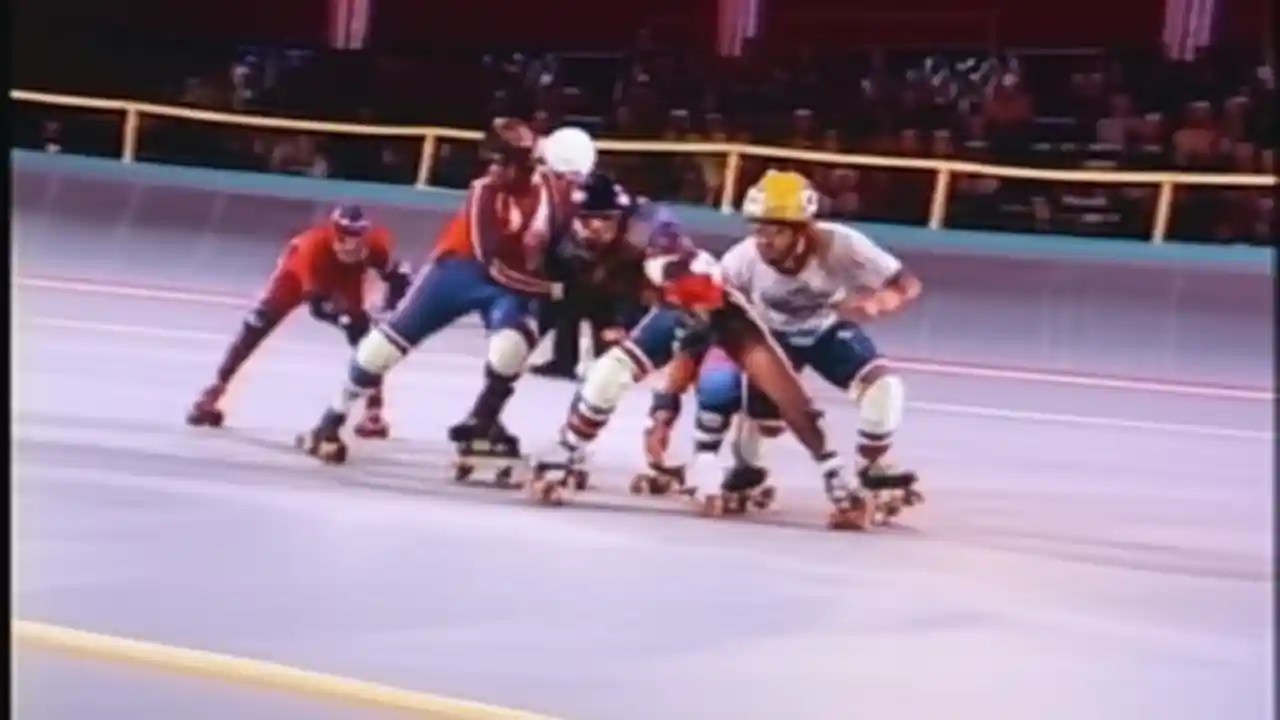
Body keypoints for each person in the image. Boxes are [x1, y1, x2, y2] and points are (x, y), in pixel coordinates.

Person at [527, 185, 875, 530]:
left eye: (604, 221)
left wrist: (665, 405)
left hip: (715, 308)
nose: (595, 229)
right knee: (608, 371)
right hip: (675, 303)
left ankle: (834, 474)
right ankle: (570, 446)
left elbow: (689, 333)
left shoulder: (653, 238)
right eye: (588, 221)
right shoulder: (584, 243)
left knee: (777, 392)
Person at [294, 118, 580, 466]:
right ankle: (331, 419)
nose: (495, 169)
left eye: (503, 162)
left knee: (510, 348)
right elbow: (492, 264)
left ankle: (484, 419)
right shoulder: (484, 190)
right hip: (460, 270)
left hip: (512, 279)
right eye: (494, 161)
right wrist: (553, 289)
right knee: (384, 345)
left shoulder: (557, 191)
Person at [669, 169, 926, 524]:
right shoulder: (741, 260)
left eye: (775, 230)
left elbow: (906, 283)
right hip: (769, 337)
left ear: (803, 229)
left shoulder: (843, 245)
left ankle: (872, 465)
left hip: (824, 330)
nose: (764, 240)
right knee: (765, 419)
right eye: (757, 229)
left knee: (885, 387)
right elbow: (714, 320)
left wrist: (883, 300)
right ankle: (750, 467)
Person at [185, 204, 410, 436]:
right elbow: (319, 307)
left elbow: (396, 275)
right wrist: (344, 317)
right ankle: (215, 388)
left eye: (357, 237)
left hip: (346, 278)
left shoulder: (375, 245)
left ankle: (374, 410)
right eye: (345, 237)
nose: (352, 244)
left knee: (366, 338)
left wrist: (393, 301)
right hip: (295, 276)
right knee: (258, 322)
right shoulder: (312, 249)